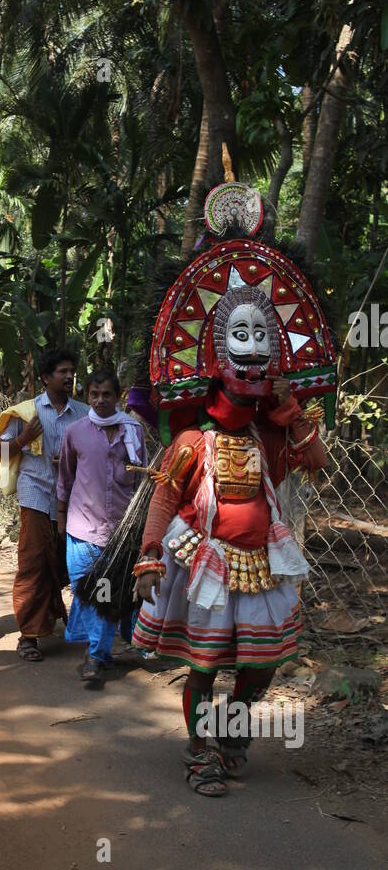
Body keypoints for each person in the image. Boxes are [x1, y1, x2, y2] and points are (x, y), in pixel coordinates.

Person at [130, 179, 334, 798]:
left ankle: (232, 733)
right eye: (239, 339)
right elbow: (165, 498)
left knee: (262, 665)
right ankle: (202, 755)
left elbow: (318, 463)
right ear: (215, 355)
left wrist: (292, 411)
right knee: (206, 664)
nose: (252, 354)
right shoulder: (191, 442)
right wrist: (148, 556)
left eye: (262, 339)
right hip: (206, 567)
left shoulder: (274, 436)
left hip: (262, 567)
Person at [0, 348, 88, 662]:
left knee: (68, 562)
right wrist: (22, 440)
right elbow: (1, 452)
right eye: (62, 372)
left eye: (71, 371)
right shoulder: (26, 413)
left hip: (74, 500)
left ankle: (79, 625)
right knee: (33, 562)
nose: (69, 376)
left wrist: (72, 462)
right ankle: (29, 637)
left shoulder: (85, 414)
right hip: (36, 494)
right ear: (46, 378)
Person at [56, 369, 147, 683]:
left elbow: (141, 480)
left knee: (106, 594)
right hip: (82, 528)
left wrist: (139, 527)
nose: (100, 400)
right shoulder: (75, 432)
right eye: (94, 394)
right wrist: (60, 516)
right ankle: (100, 652)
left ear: (118, 396)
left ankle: (96, 656)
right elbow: (65, 478)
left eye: (106, 394)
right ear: (87, 396)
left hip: (120, 533)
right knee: (90, 593)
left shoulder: (133, 433)